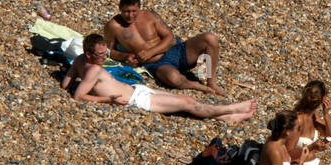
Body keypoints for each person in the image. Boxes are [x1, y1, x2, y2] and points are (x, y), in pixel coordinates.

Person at [64, 34, 256, 120]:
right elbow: (78, 96)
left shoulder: (80, 61)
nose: (105, 57)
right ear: (89, 54)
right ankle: (232, 108)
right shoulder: (93, 70)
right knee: (187, 102)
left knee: (184, 100)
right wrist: (107, 99)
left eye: (105, 52)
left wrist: (70, 79)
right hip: (135, 100)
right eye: (100, 55)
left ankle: (226, 117)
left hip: (138, 91)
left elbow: (66, 84)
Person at [103, 0, 226, 95]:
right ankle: (193, 85)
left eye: (134, 11)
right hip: (158, 64)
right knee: (173, 78)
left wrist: (150, 52)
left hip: (175, 51)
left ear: (139, 7)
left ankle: (211, 82)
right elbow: (108, 51)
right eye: (126, 11)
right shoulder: (113, 26)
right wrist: (125, 57)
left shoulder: (149, 16)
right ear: (119, 8)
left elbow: (170, 37)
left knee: (210, 38)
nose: (130, 15)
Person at [291, 80, 331, 165]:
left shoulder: (313, 116)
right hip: (297, 164)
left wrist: (326, 114)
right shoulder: (297, 120)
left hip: (312, 161)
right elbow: (289, 154)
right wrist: (312, 147)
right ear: (323, 99)